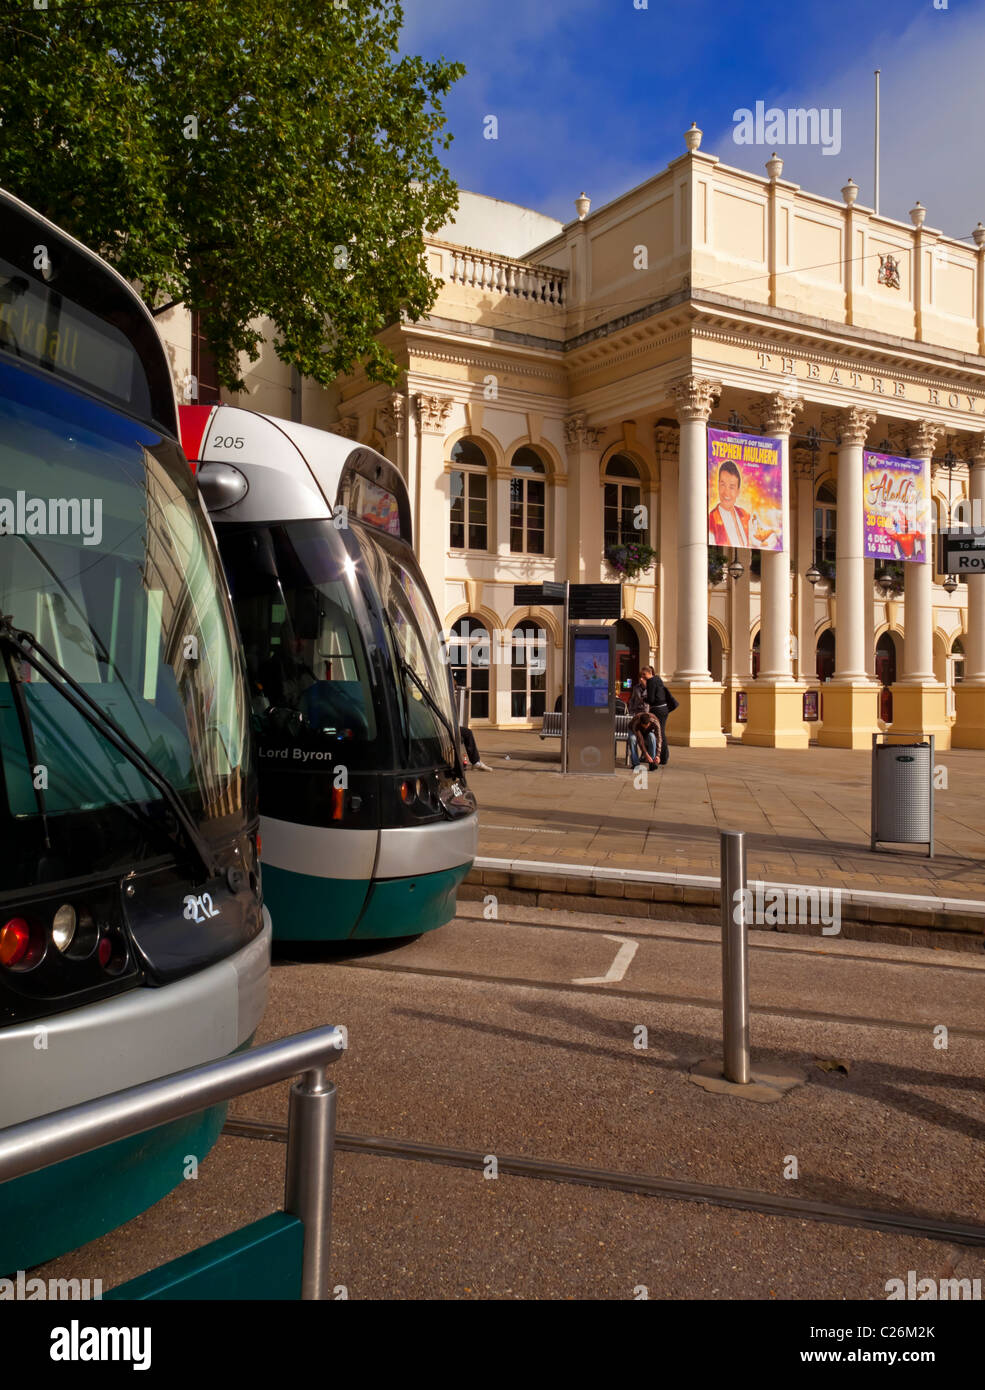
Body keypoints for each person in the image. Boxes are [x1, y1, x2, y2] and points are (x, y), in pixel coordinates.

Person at [641, 665, 677, 766]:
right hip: (664, 709)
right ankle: (662, 756)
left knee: (659, 733)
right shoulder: (658, 679)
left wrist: (644, 698)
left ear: (649, 673)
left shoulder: (651, 682)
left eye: (644, 674)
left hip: (657, 710)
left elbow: (651, 699)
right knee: (661, 732)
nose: (643, 676)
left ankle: (661, 757)